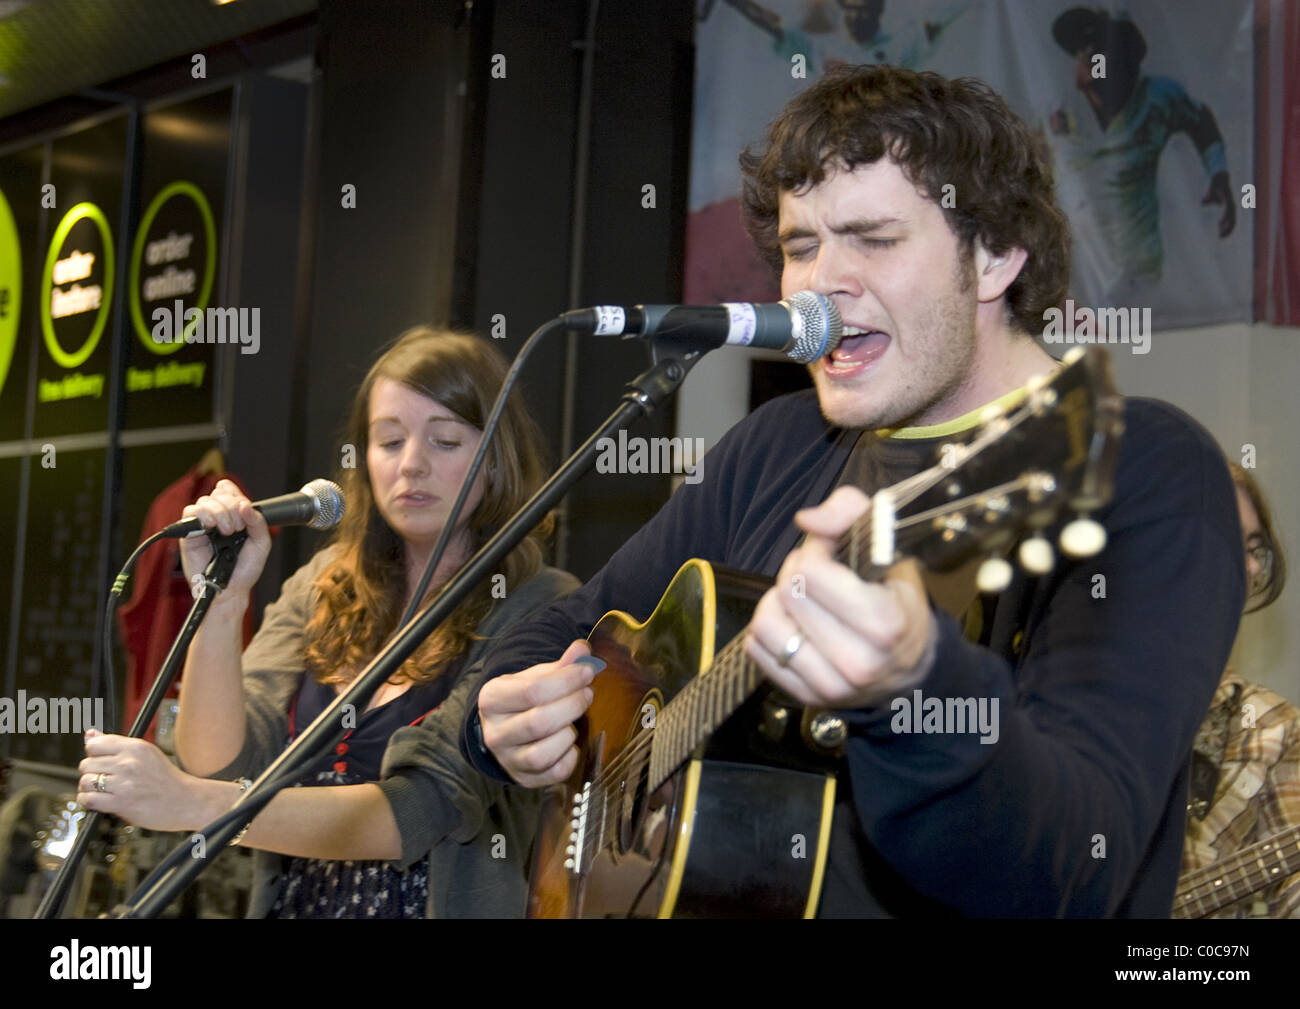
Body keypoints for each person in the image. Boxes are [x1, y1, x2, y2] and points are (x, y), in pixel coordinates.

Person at [462, 64, 1244, 917]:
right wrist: (504, 711)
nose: (817, 285)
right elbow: (570, 623)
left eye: (872, 237)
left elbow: (1072, 868)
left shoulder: (1143, 471)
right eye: (801, 246)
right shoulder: (777, 445)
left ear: (995, 256)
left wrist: (915, 686)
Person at [77, 327, 578, 918]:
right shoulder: (323, 582)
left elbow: (418, 807)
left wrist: (193, 803)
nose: (412, 464)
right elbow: (217, 760)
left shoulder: (538, 603)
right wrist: (222, 601)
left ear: (495, 460)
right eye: (389, 441)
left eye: (444, 441)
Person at [1179, 464, 1299, 918]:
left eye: (1254, 548)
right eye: (1228, 540)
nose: (1249, 566)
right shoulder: (1049, 698)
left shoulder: (1271, 726)